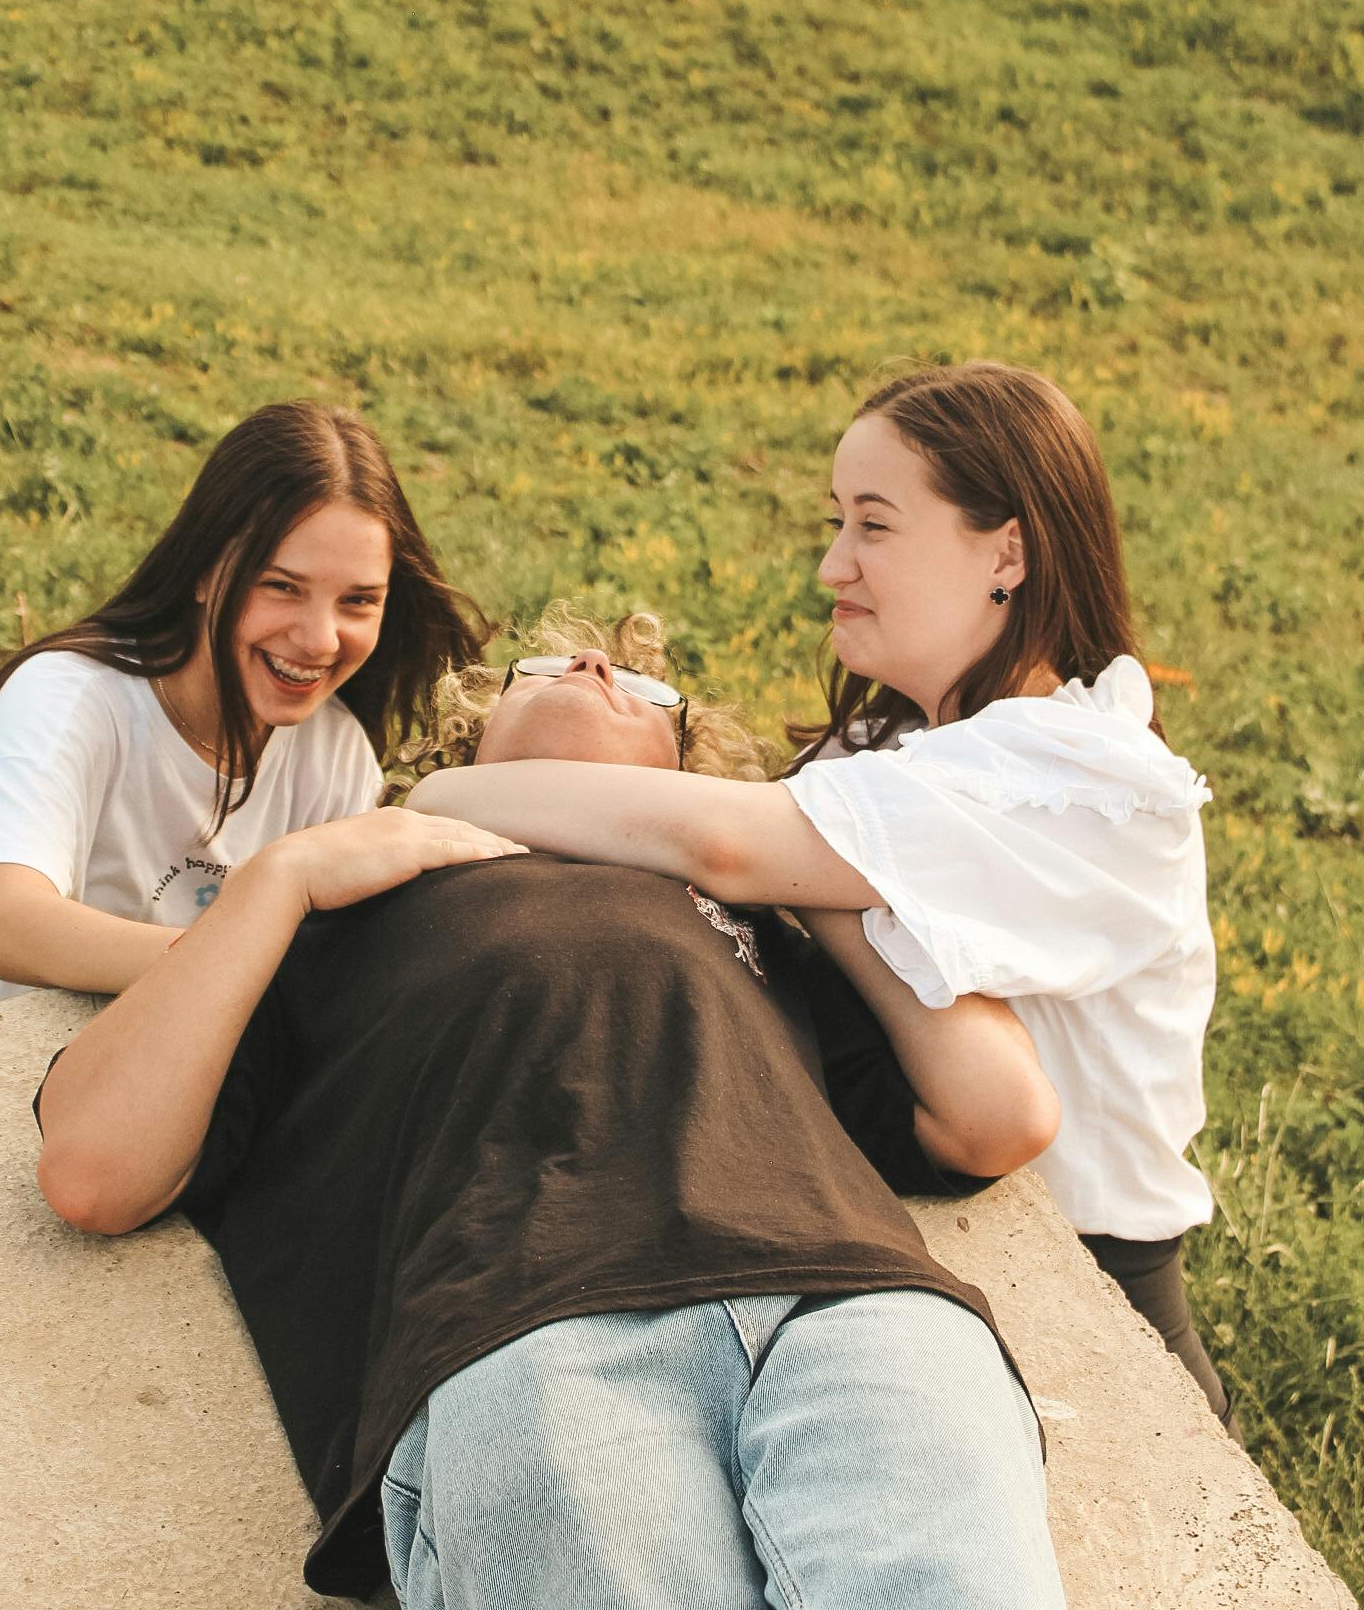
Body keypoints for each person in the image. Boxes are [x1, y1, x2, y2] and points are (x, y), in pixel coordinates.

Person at [34, 617, 1101, 1610]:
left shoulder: (755, 926)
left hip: (854, 1303)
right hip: (526, 1331)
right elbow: (94, 1167)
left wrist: (815, 869)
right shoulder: (340, 912)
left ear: (690, 771)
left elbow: (992, 1116)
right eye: (555, 661)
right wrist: (282, 879)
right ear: (471, 730)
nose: (600, 668)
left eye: (650, 681)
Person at [411, 363, 1228, 1422]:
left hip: (1091, 1299)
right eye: (835, 521)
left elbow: (736, 850)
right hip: (915, 1253)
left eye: (874, 527)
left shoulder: (1079, 774)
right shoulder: (904, 740)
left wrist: (446, 785)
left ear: (1008, 552)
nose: (831, 565)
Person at [0, 400, 493, 1016]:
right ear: (206, 572)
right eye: (282, 587)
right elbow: (9, 926)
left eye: (358, 601)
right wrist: (255, 963)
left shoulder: (334, 753)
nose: (321, 638)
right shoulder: (71, 698)